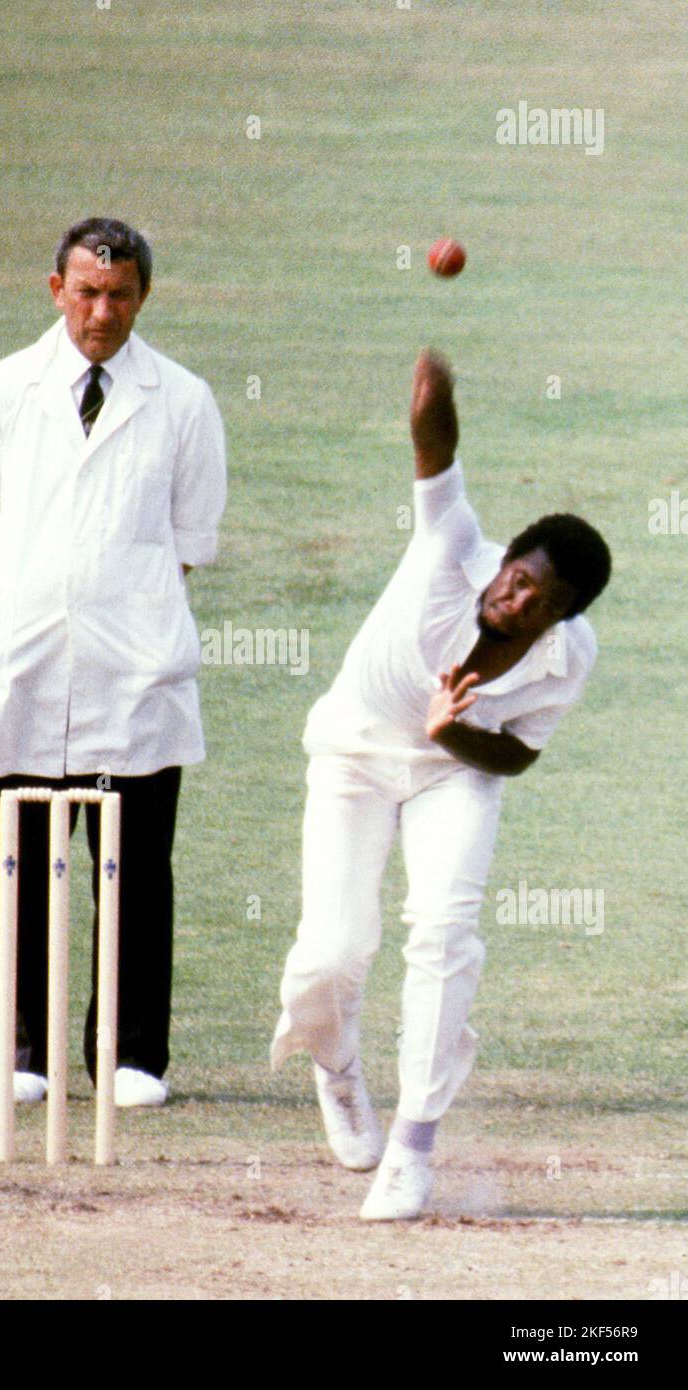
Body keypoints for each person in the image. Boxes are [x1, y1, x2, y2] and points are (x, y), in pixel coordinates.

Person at [270, 349, 611, 1219]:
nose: (517, 602)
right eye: (519, 580)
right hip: (351, 753)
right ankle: (338, 1070)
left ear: (562, 619)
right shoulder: (452, 541)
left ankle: (414, 1148)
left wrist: (453, 730)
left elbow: (518, 756)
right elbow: (434, 444)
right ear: (505, 561)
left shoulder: (567, 658)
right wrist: (437, 376)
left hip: (453, 773)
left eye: (541, 603)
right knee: (331, 953)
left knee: (446, 930)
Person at [0, 217, 226, 1108]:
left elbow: (187, 542)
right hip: (17, 669)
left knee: (137, 872)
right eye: (87, 292)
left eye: (121, 294)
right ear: (55, 289)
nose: (102, 312)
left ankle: (132, 1058)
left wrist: (113, 608)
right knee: (13, 870)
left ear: (144, 295)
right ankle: (22, 1054)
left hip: (137, 673)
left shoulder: (184, 400)